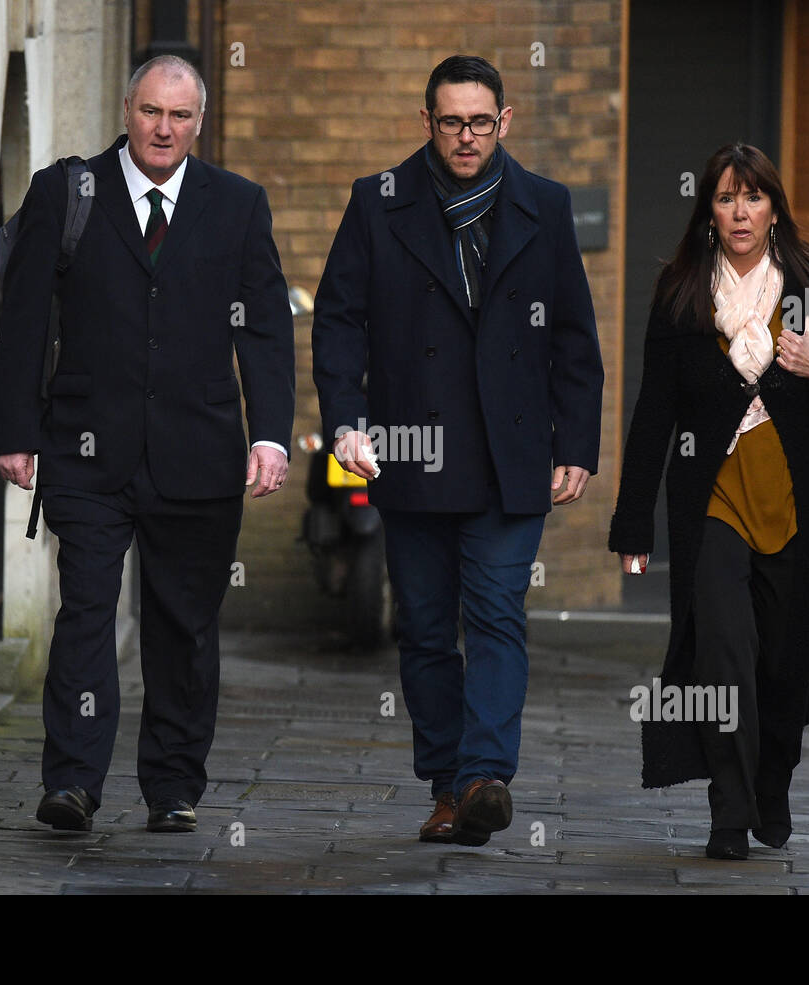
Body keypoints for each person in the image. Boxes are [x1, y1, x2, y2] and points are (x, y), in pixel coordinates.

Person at [0, 55, 295, 834]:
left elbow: (265, 328)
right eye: (152, 111)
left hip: (200, 454)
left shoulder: (237, 205)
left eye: (181, 116)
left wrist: (269, 435)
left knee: (183, 625)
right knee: (86, 611)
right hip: (87, 451)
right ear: (127, 108)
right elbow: (22, 319)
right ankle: (73, 782)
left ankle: (172, 785)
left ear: (200, 122)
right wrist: (15, 433)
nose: (165, 128)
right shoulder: (67, 192)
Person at [312, 55, 604, 847]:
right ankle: (447, 784)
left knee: (498, 613)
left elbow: (576, 337)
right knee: (427, 628)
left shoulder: (544, 204)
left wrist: (577, 441)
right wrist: (346, 423)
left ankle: (483, 777)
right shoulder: (378, 203)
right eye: (451, 122)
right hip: (412, 453)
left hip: (512, 458)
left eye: (481, 122)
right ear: (427, 122)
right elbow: (338, 321)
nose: (466, 136)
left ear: (505, 121)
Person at [608, 143, 809, 859]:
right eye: (726, 198)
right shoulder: (681, 291)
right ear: (709, 210)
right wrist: (632, 522)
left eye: (753, 197)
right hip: (712, 499)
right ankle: (728, 812)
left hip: (795, 497)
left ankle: (773, 780)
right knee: (722, 654)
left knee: (785, 660)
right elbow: (653, 411)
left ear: (774, 207)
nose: (739, 211)